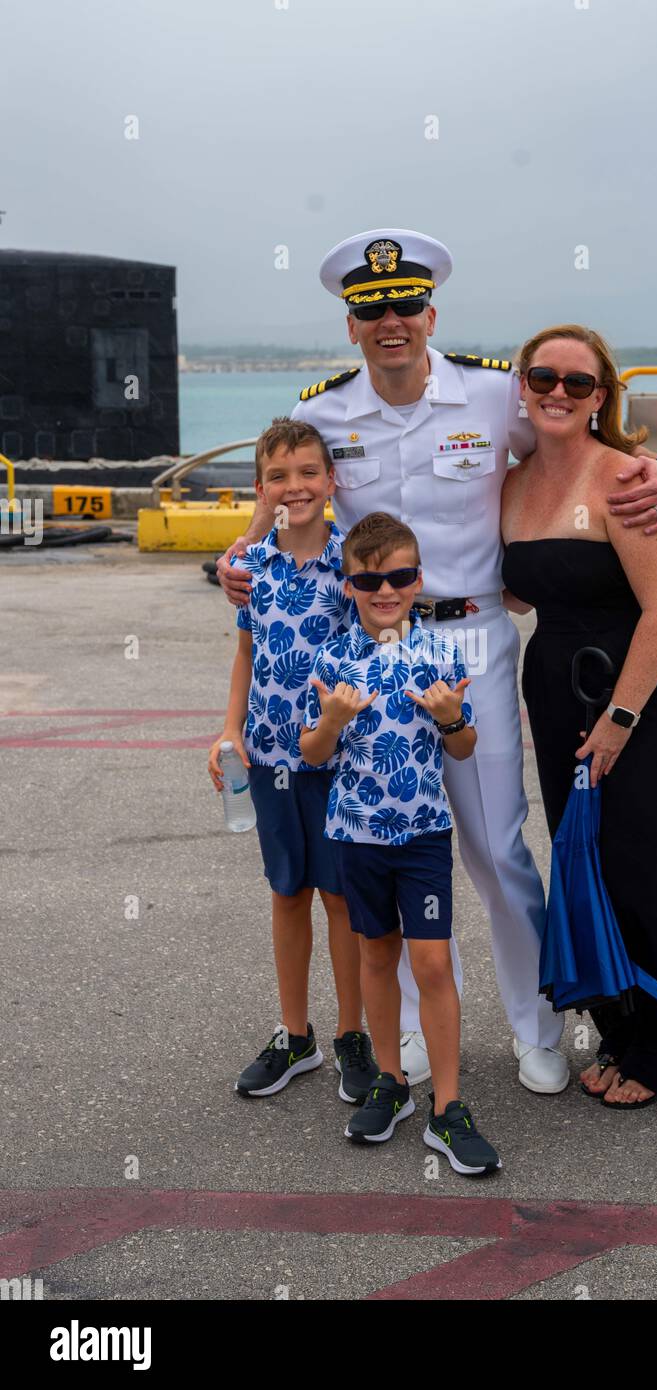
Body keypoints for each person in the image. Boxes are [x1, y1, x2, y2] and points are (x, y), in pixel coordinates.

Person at [217, 228, 657, 1096]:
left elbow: (575, 436)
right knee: (382, 835)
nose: (391, 322)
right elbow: (284, 491)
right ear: (352, 327)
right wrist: (239, 557)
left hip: (469, 639)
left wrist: (656, 467)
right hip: (369, 642)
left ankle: (537, 1026)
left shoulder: (494, 393)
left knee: (495, 846)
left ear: (431, 314)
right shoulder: (324, 413)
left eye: (405, 307)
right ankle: (417, 1034)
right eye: (371, 311)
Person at [501, 324, 657, 1107]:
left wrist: (622, 718)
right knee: (586, 865)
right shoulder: (512, 481)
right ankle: (619, 1031)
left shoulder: (628, 479)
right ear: (522, 386)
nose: (558, 393)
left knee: (650, 864)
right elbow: (522, 590)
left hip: (642, 690)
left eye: (578, 383)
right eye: (544, 378)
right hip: (558, 687)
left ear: (602, 397)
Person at [300, 511, 501, 1176]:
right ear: (349, 582)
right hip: (356, 838)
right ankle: (390, 1081)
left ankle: (448, 1107)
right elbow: (312, 752)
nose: (386, 589)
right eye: (370, 578)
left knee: (433, 965)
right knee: (376, 957)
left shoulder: (440, 655)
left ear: (419, 580)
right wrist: (329, 721)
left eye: (401, 576)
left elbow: (466, 748)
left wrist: (450, 720)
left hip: (422, 836)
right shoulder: (331, 662)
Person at [208, 418, 379, 1104]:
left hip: (336, 761)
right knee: (287, 893)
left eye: (309, 472)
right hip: (270, 758)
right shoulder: (251, 567)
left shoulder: (351, 565)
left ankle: (350, 1035)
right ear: (260, 488)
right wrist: (228, 730)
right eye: (279, 476)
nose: (296, 486)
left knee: (339, 896)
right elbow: (245, 655)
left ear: (332, 481)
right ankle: (295, 1033)